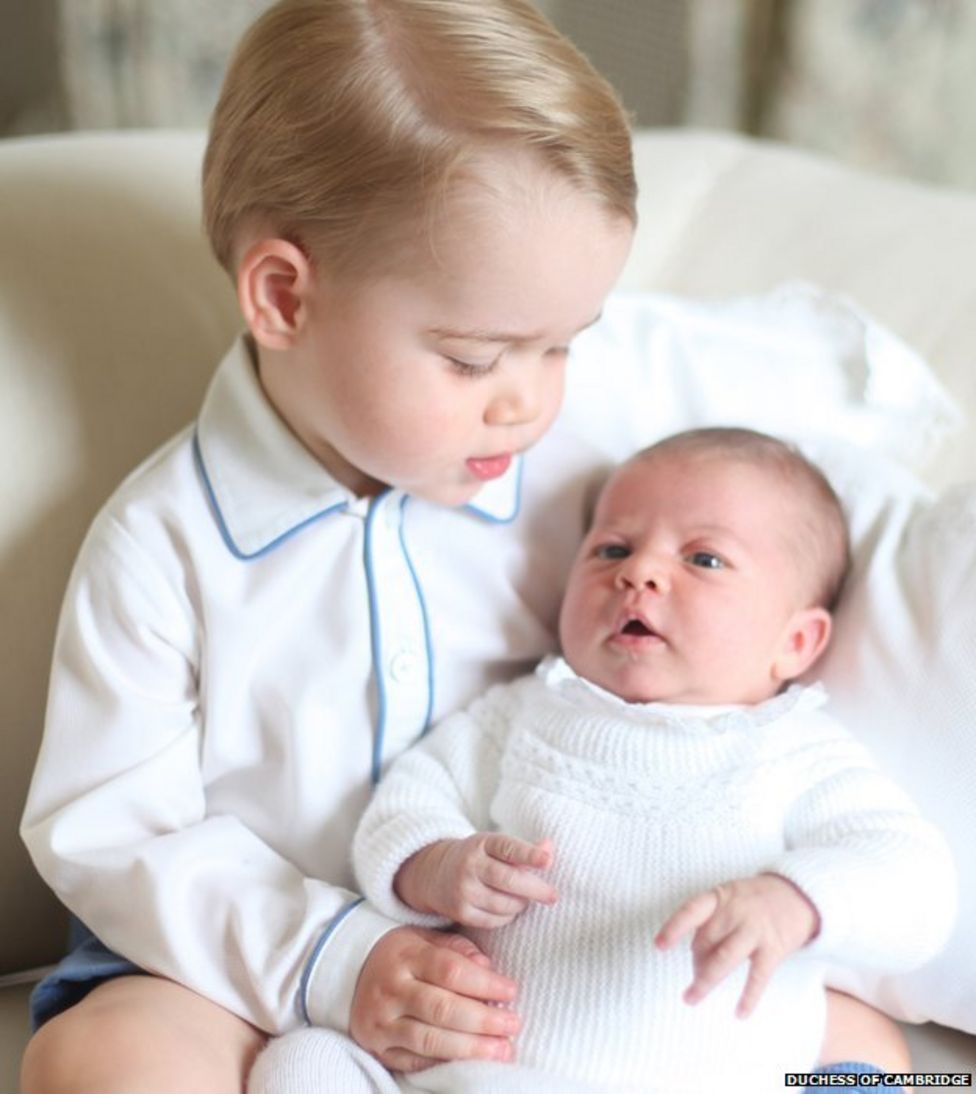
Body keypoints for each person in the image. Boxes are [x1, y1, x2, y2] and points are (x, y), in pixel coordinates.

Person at [16, 0, 919, 1089]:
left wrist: (892, 402)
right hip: (245, 965)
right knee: (101, 1059)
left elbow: (802, 382)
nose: (526, 400)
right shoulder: (162, 546)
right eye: (474, 359)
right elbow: (113, 832)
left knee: (865, 1046)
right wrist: (336, 957)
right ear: (285, 297)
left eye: (561, 347)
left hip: (559, 965)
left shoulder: (593, 452)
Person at [248, 428, 956, 1094]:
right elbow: (408, 799)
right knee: (303, 1061)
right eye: (612, 549)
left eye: (704, 559)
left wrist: (798, 901)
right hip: (476, 1076)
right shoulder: (526, 713)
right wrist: (433, 865)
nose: (639, 572)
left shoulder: (795, 752)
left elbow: (916, 884)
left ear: (795, 642)